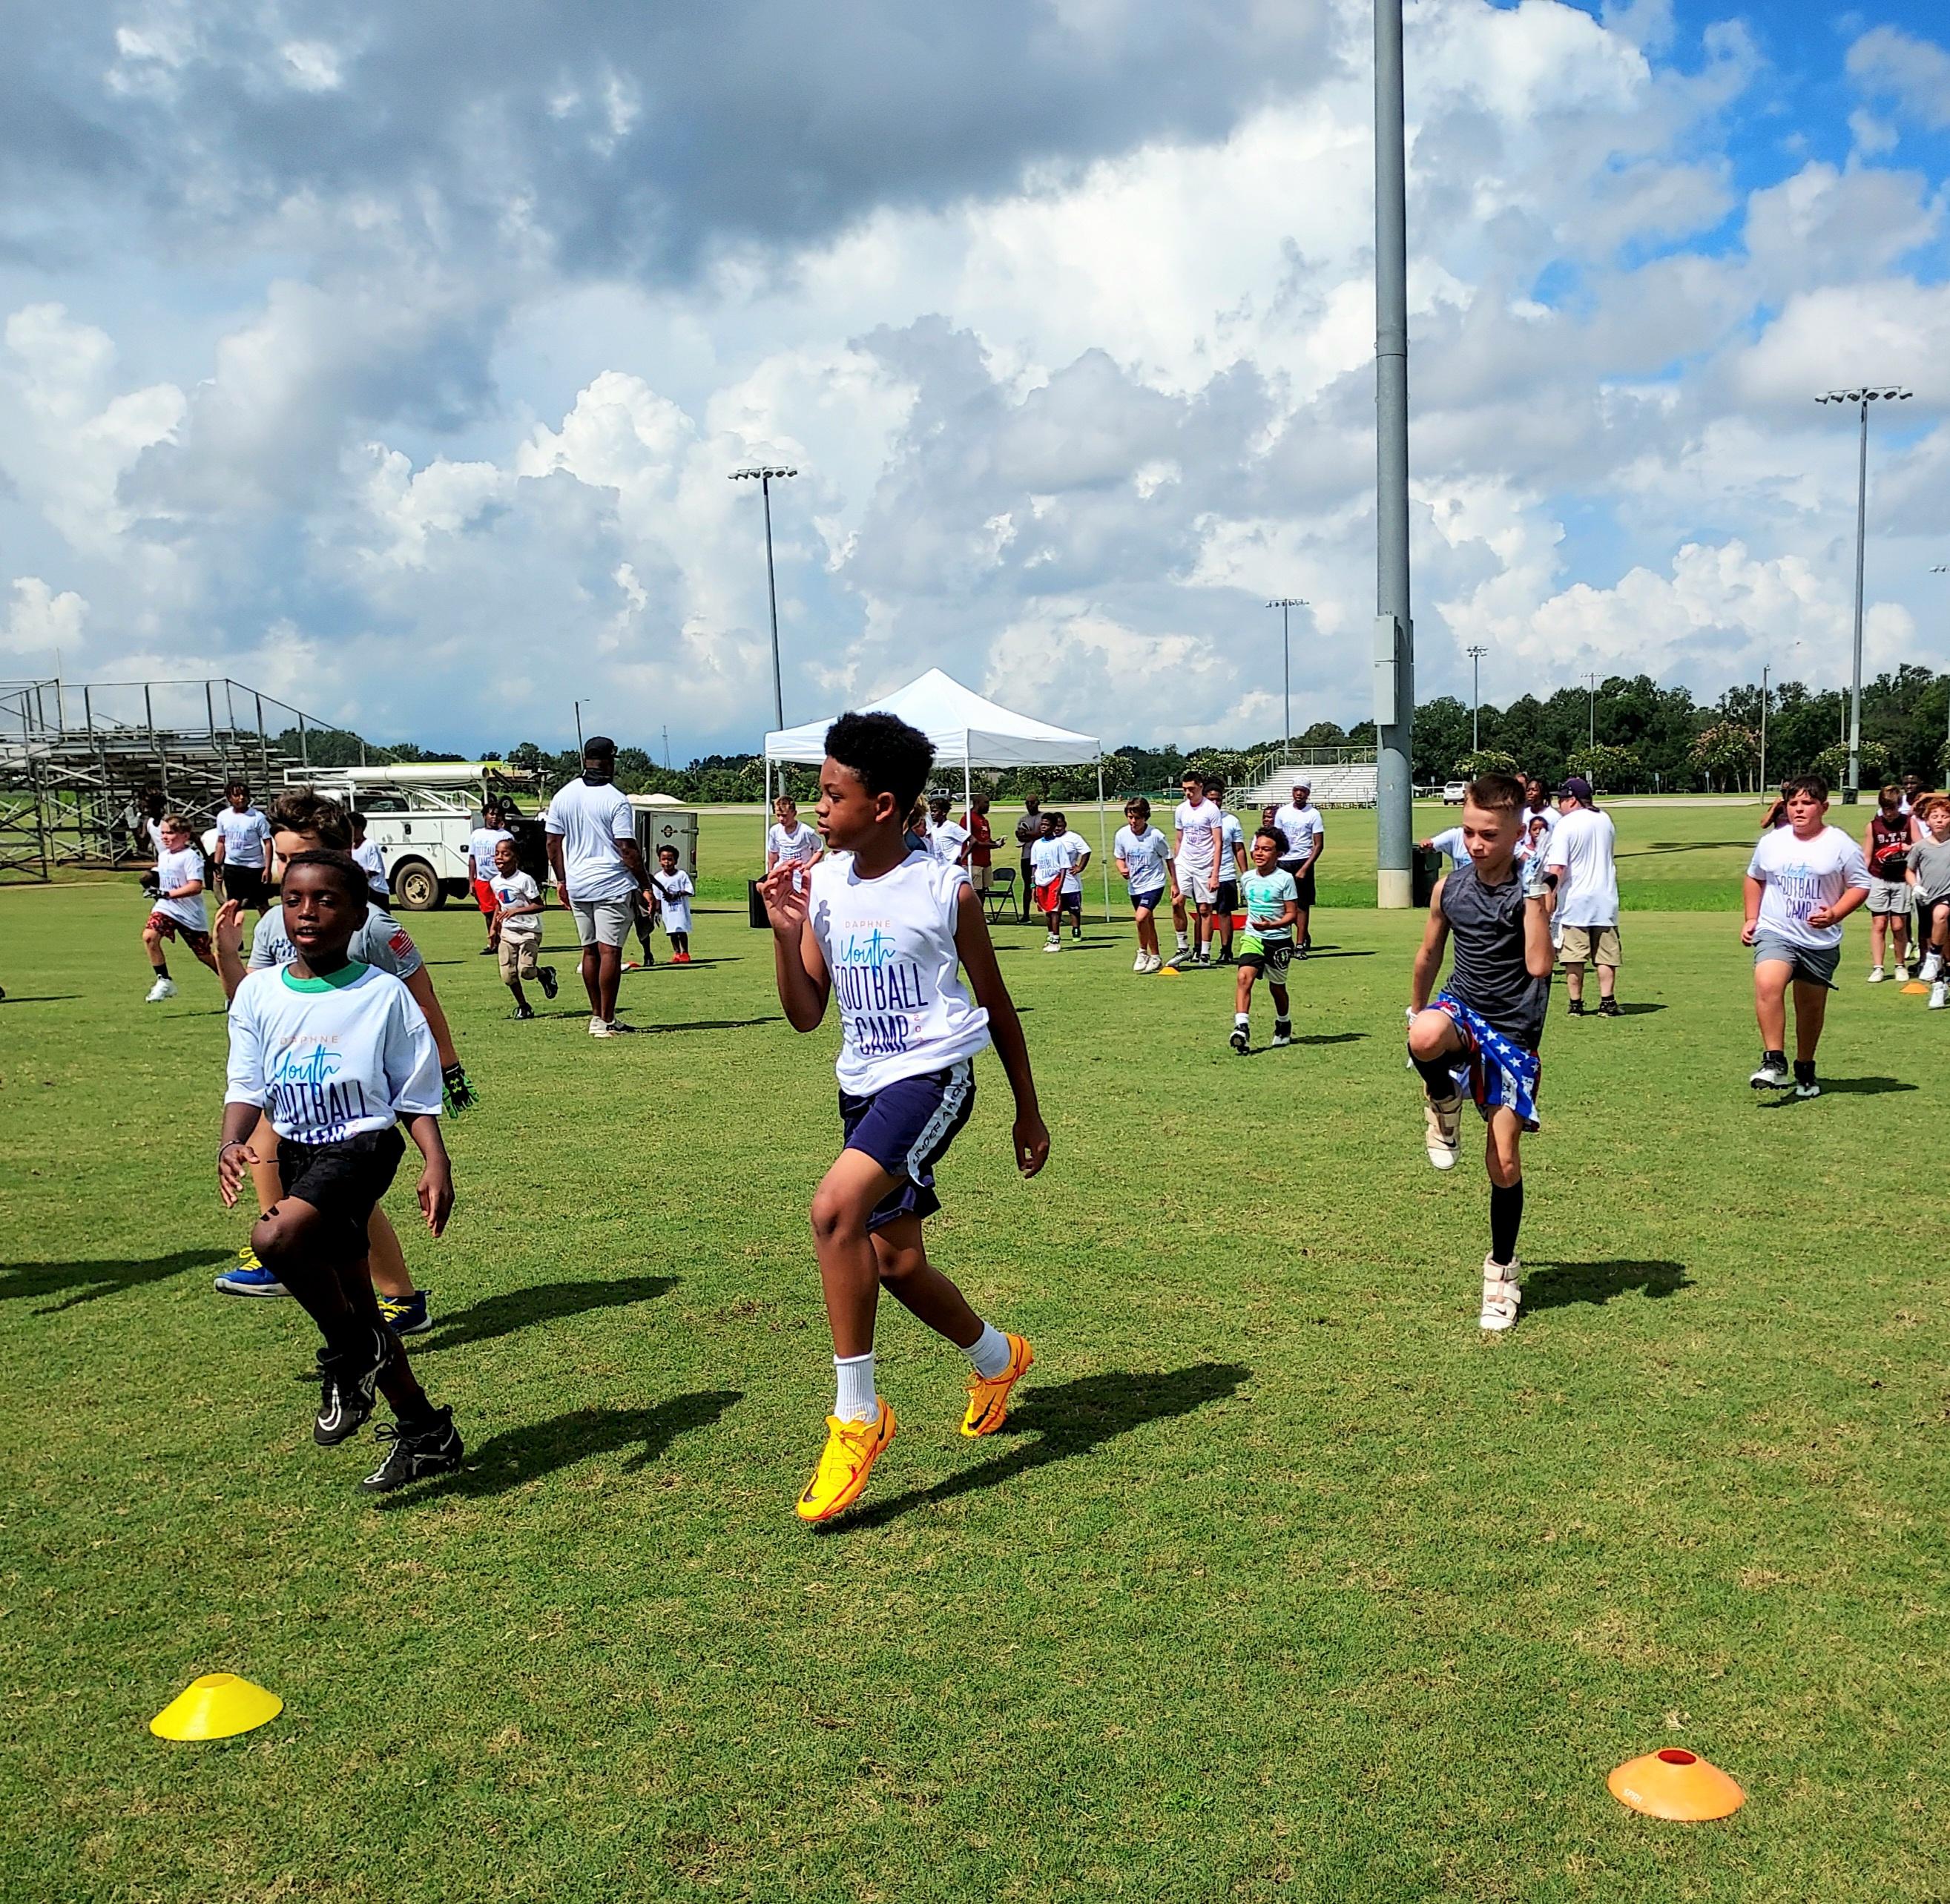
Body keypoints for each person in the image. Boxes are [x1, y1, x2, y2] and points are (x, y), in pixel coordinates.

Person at [759, 711, 1048, 1523]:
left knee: (832, 1208)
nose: (816, 809)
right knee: (893, 1263)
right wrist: (785, 935)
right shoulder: (822, 883)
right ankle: (999, 1356)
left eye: (830, 794)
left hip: (933, 1078)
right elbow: (807, 1013)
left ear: (882, 804)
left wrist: (1028, 1110)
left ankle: (858, 1416)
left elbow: (995, 1004)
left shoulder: (942, 887)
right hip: (861, 1085)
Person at [219, 849, 463, 1492]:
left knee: (274, 1238)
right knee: (360, 1298)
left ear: (358, 915)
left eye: (327, 900)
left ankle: (350, 1353)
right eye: (294, 898)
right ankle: (424, 1430)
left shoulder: (381, 995)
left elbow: (414, 1089)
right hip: (298, 1151)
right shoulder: (259, 991)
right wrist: (231, 1140)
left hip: (361, 1148)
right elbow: (246, 1079)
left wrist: (435, 1158)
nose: (308, 911)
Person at [213, 786, 474, 1329]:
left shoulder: (374, 926)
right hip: (292, 1079)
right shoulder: (270, 925)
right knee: (288, 1164)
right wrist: (226, 956)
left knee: (330, 1188)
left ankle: (357, 1283)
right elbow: (252, 1003)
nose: (286, 869)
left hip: (357, 1091)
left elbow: (420, 1003)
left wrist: (448, 1068)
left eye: (297, 856)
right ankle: (311, 1271)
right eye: (281, 859)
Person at [1406, 772, 1556, 1331]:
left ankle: (1500, 1273)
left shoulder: (1530, 891)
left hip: (1512, 1034)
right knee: (1422, 1036)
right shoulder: (1450, 887)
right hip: (1461, 1010)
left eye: (1488, 834)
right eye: (1468, 831)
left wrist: (1538, 899)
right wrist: (1416, 1008)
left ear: (1518, 830)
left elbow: (1540, 966)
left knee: (1504, 1161)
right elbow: (1427, 952)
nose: (1474, 844)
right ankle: (1442, 1103)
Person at [1742, 775, 1871, 1096]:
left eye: (1808, 803)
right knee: (1767, 982)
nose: (1799, 810)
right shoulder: (1773, 841)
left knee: (1810, 1009)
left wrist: (1835, 913)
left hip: (1819, 941)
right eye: (1794, 803)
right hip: (1777, 930)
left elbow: (1860, 885)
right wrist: (1751, 918)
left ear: (1823, 807)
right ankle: (1774, 1061)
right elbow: (1754, 878)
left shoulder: (1840, 844)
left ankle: (1805, 1066)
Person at [544, 737, 656, 1038]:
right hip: (611, 884)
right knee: (611, 952)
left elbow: (553, 844)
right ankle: (606, 1020)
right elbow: (627, 848)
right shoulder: (616, 799)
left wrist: (562, 880)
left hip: (578, 884)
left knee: (590, 951)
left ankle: (598, 1016)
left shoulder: (563, 795)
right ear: (610, 760)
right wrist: (646, 886)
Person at [1547, 775, 1621, 1018]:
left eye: (1562, 799)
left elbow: (1557, 868)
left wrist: (1549, 896)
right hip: (1605, 898)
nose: (1560, 804)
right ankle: (1607, 1001)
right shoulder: (1605, 820)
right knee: (1606, 955)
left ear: (1573, 800)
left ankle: (1576, 1003)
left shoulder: (1565, 825)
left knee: (1573, 956)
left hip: (1575, 900)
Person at [1230, 829, 1299, 1054]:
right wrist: (1258, 927)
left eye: (1266, 849)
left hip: (1279, 942)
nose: (1259, 853)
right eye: (1257, 848)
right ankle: (1242, 1027)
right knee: (1243, 977)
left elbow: (1292, 914)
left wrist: (1272, 925)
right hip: (1253, 937)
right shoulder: (1247, 878)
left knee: (1277, 988)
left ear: (1278, 854)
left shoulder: (1285, 879)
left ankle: (1283, 1024)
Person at [142, 813, 221, 1001]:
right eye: (163, 833)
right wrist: (150, 881)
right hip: (166, 908)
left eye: (170, 833)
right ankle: (164, 980)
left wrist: (168, 894)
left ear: (185, 836)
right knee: (149, 937)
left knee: (205, 956)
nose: (165, 837)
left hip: (190, 915)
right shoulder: (164, 856)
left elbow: (195, 886)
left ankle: (239, 983)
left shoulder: (190, 857)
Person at [490, 837, 558, 1018]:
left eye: (505, 854)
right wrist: (494, 927)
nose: (499, 858)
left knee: (526, 971)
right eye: (497, 854)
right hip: (508, 932)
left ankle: (545, 974)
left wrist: (515, 911)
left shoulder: (524, 880)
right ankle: (524, 1006)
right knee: (508, 975)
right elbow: (499, 903)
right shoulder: (495, 882)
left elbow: (539, 905)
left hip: (529, 931)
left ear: (516, 858)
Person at [1170, 770, 1225, 967]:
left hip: (1205, 864)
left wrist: (1215, 874)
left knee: (1204, 909)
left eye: (1191, 789)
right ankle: (1182, 947)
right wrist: (1175, 874)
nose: (1188, 793)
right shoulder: (1181, 810)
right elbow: (1178, 839)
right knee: (1177, 902)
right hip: (1185, 862)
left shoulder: (1211, 810)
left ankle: (1205, 953)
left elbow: (1218, 842)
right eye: (1185, 789)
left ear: (1200, 786)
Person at [1114, 796, 1173, 972]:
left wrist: (1175, 884)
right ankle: (1156, 957)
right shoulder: (1122, 834)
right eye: (1130, 817)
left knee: (1140, 917)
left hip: (1154, 883)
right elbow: (1119, 857)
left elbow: (1169, 858)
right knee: (1148, 921)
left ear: (1145, 817)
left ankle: (1142, 952)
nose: (1133, 821)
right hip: (1135, 885)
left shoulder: (1156, 836)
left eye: (1137, 818)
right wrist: (1122, 868)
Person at [1863, 785, 1914, 982]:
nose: (1889, 813)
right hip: (1879, 877)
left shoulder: (1908, 823)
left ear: (1899, 806)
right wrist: (1860, 881)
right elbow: (1867, 856)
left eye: (1892, 809)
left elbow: (1920, 847)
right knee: (1879, 923)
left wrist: (1902, 847)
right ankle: (1878, 967)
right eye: (1885, 809)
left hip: (1902, 879)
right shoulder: (1873, 826)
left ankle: (1900, 964)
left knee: (1899, 925)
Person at [1273, 780, 1325, 955]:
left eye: (1303, 791)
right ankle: (1289, 939)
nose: (1299, 794)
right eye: (1296, 790)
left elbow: (1318, 845)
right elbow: (1277, 838)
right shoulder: (1282, 812)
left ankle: (1300, 944)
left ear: (1308, 793)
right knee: (1282, 904)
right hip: (1284, 861)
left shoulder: (1313, 814)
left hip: (1302, 860)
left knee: (1302, 904)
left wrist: (1305, 868)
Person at [1908, 794, 1950, 1007]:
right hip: (1928, 898)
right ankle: (1940, 984)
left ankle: (1933, 957)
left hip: (1947, 898)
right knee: (1945, 944)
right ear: (1927, 821)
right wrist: (1915, 885)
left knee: (1941, 913)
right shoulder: (1921, 847)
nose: (1940, 820)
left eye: (1944, 816)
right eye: (1935, 816)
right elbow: (1909, 870)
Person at [211, 781, 274, 915]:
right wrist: (217, 866)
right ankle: (234, 936)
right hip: (232, 866)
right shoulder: (223, 816)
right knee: (233, 904)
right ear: (229, 797)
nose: (241, 798)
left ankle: (269, 933)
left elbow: (268, 842)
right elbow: (221, 841)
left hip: (254, 867)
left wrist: (267, 868)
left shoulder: (257, 817)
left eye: (244, 795)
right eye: (237, 795)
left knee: (261, 904)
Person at [1206, 777, 1246, 963]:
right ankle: (1202, 950)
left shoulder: (1231, 821)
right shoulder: (1200, 818)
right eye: (1212, 799)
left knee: (1224, 912)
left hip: (1226, 873)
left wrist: (1245, 874)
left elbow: (1238, 848)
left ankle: (1226, 950)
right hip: (1203, 873)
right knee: (1204, 912)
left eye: (1219, 799)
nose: (1216, 803)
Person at [466, 801, 514, 955]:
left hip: (500, 880)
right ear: (485, 815)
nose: (494, 817)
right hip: (483, 880)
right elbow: (472, 858)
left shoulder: (506, 836)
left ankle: (505, 941)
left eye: (497, 814)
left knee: (502, 912)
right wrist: (471, 880)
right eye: (491, 813)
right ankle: (493, 941)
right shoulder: (476, 834)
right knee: (488, 912)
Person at [1030, 811, 1071, 952]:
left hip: (1054, 880)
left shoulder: (1058, 844)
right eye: (1042, 824)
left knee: (1055, 911)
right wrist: (1033, 884)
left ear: (1053, 827)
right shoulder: (1037, 844)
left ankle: (1056, 940)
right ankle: (1050, 936)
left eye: (1047, 825)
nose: (1043, 827)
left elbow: (1064, 867)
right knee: (1047, 910)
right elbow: (1034, 866)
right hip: (1041, 881)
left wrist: (1060, 885)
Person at [765, 796, 823, 885]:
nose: (781, 819)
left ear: (794, 813)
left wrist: (807, 866)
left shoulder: (805, 831)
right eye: (778, 815)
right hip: (783, 876)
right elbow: (773, 853)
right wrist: (770, 873)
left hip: (801, 876)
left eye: (784, 815)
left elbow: (819, 850)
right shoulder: (775, 831)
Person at [652, 844, 695, 963]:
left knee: (681, 930)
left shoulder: (681, 875)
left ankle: (685, 953)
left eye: (670, 859)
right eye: (664, 859)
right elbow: (657, 897)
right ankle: (676, 953)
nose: (667, 862)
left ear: (675, 860)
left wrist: (677, 894)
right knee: (672, 932)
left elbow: (689, 890)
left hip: (680, 909)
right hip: (667, 911)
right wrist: (656, 911)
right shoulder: (658, 877)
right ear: (660, 860)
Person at [1054, 810, 1090, 938]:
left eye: (1060, 826)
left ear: (1065, 824)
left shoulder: (1073, 837)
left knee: (1074, 909)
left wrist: (1080, 867)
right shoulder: (1049, 839)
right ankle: (1054, 934)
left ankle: (1076, 930)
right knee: (1055, 909)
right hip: (1054, 880)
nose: (1058, 829)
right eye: (1055, 826)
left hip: (1070, 881)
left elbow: (1086, 851)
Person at [1015, 794, 1044, 923]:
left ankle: (1052, 912)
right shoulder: (1023, 819)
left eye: (1032, 802)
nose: (1030, 805)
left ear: (1038, 803)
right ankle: (1026, 915)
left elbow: (1042, 834)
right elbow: (1020, 836)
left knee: (1046, 884)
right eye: (1027, 803)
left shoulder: (1043, 817)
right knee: (1028, 885)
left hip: (1042, 857)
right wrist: (1032, 835)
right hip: (1027, 856)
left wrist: (1028, 834)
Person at [349, 811, 390, 900]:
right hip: (361, 891)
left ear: (359, 829)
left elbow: (374, 870)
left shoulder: (370, 845)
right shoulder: (349, 848)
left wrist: (357, 876)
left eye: (350, 828)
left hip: (376, 892)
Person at [929, 797, 971, 875]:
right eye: (931, 811)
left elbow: (973, 841)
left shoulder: (951, 827)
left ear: (944, 812)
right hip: (940, 869)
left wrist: (961, 858)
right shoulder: (933, 829)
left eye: (935, 811)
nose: (932, 814)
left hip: (952, 868)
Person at [966, 794, 995, 900]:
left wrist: (995, 843)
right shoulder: (968, 819)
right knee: (975, 892)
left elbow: (986, 839)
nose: (988, 805)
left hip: (985, 861)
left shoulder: (984, 820)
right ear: (978, 803)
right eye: (986, 803)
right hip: (974, 862)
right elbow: (969, 840)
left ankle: (981, 914)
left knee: (983, 891)